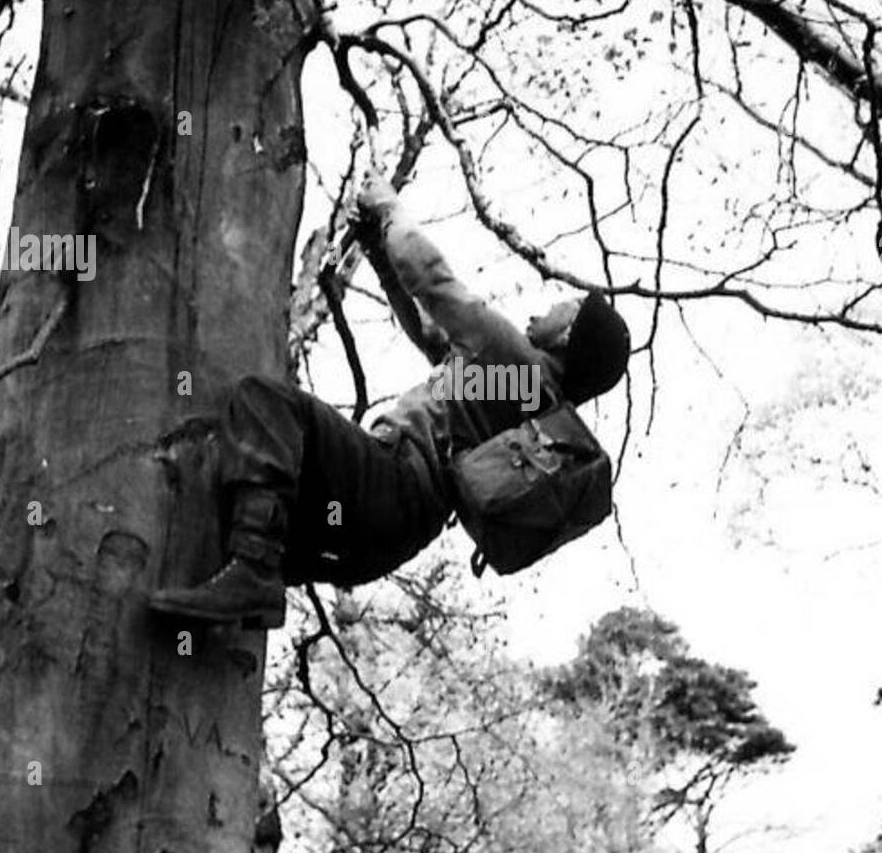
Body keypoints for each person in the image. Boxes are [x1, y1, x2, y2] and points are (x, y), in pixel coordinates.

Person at [149, 172, 631, 629]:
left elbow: (434, 281)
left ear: (568, 336)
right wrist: (380, 255)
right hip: (382, 539)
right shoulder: (524, 394)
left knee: (266, 402)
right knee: (245, 524)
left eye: (558, 308)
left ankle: (253, 571)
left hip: (389, 488)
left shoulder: (515, 361)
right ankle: (244, 587)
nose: (539, 310)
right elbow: (431, 335)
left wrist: (389, 210)